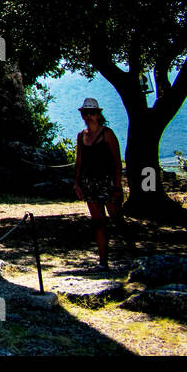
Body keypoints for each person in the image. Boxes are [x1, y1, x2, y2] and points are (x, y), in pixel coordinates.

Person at [72, 97, 125, 268]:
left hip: (107, 182)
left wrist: (117, 185)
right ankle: (103, 262)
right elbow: (79, 161)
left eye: (92, 113)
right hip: (90, 183)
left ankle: (131, 251)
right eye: (86, 113)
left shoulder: (107, 134)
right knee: (98, 222)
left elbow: (117, 161)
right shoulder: (82, 136)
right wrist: (77, 183)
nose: (88, 116)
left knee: (116, 218)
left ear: (98, 114)